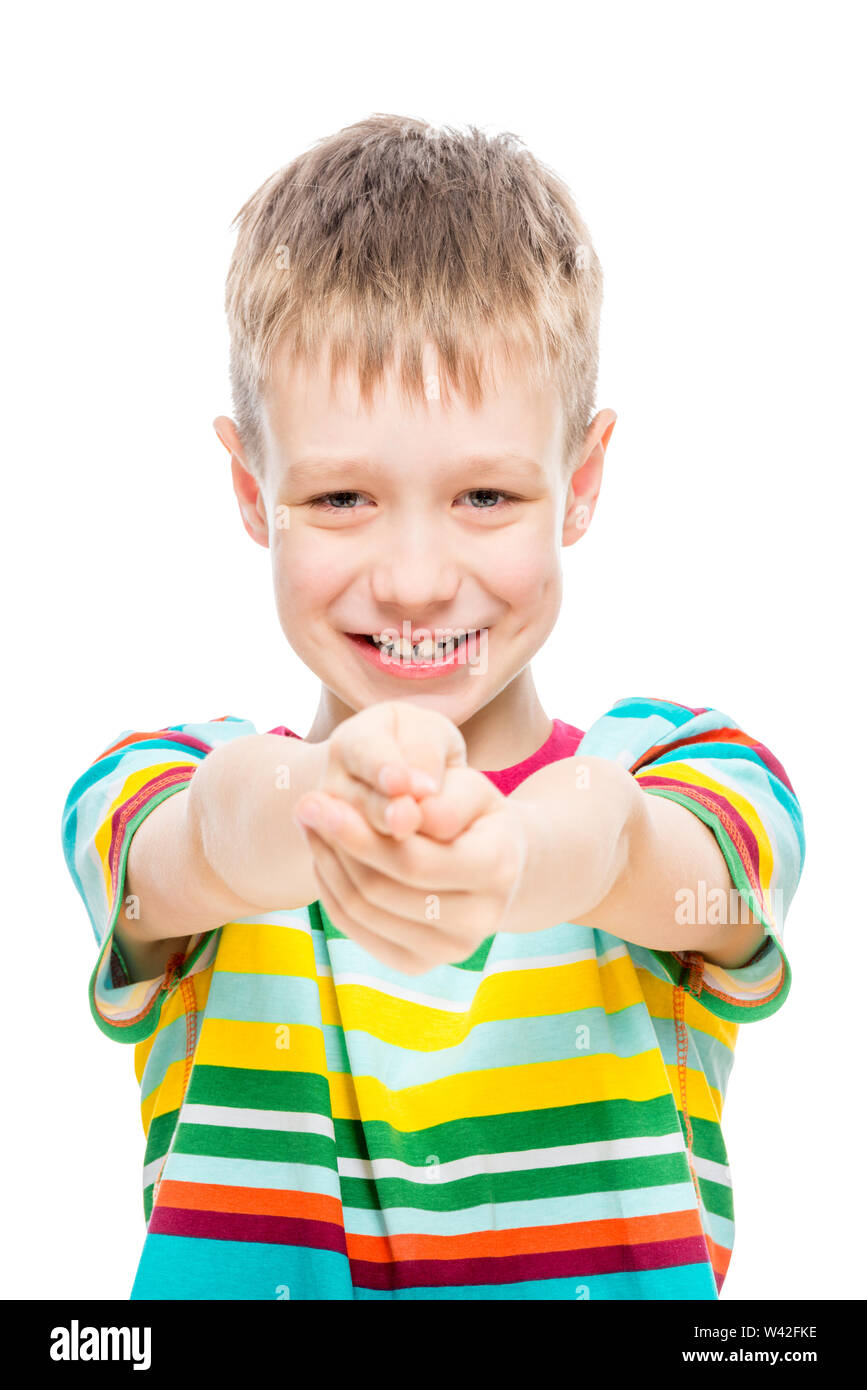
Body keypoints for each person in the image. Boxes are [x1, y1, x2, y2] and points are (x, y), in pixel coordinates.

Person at [61, 113, 805, 1300]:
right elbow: (199, 840)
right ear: (254, 491)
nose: (413, 576)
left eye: (485, 494)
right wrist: (332, 798)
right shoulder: (151, 786)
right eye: (344, 495)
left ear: (584, 480)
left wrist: (516, 857)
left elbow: (653, 853)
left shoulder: (695, 772)